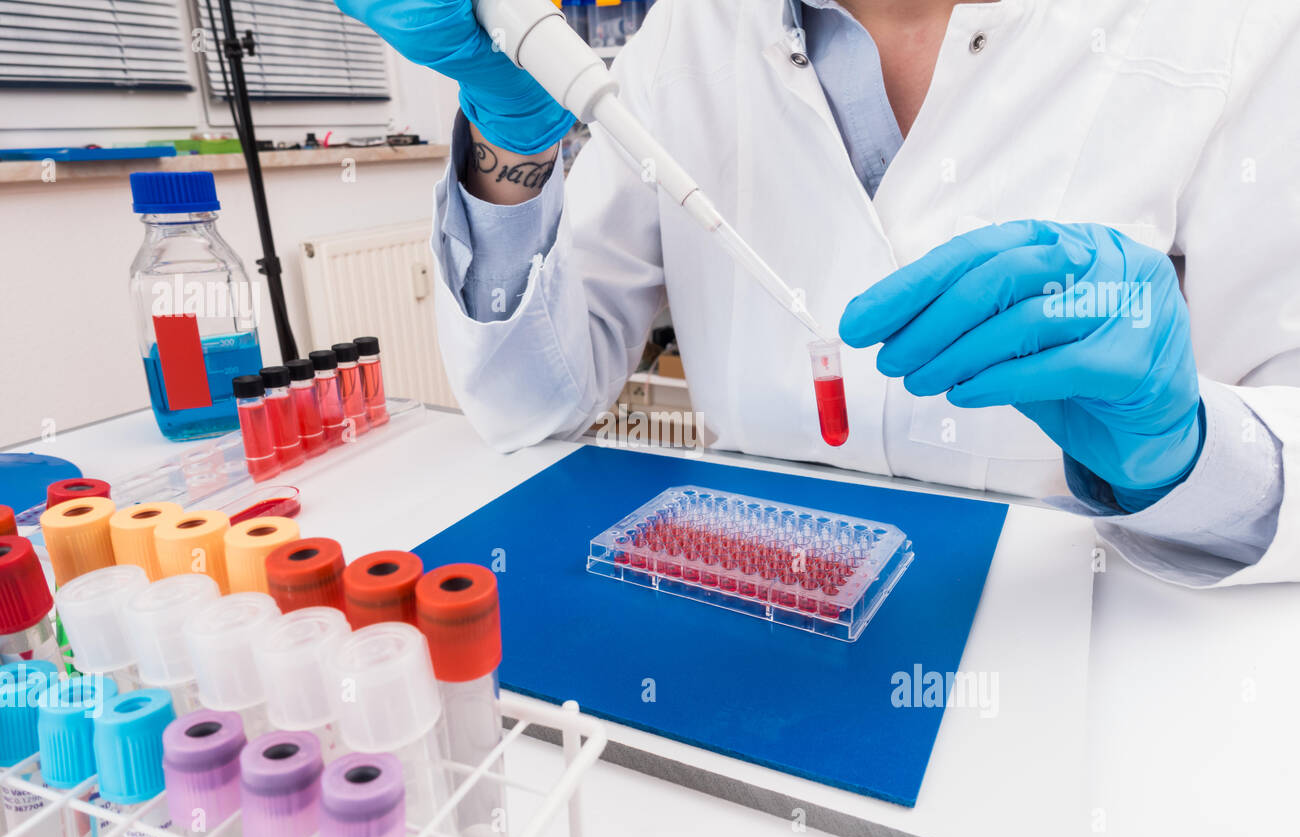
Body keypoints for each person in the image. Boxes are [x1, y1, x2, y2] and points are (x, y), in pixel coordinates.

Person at [337, 0, 1298, 588]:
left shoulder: (1228, 23)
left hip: (1084, 621)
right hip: (752, 589)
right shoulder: (690, 29)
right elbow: (528, 402)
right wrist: (513, 135)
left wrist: (1185, 449)